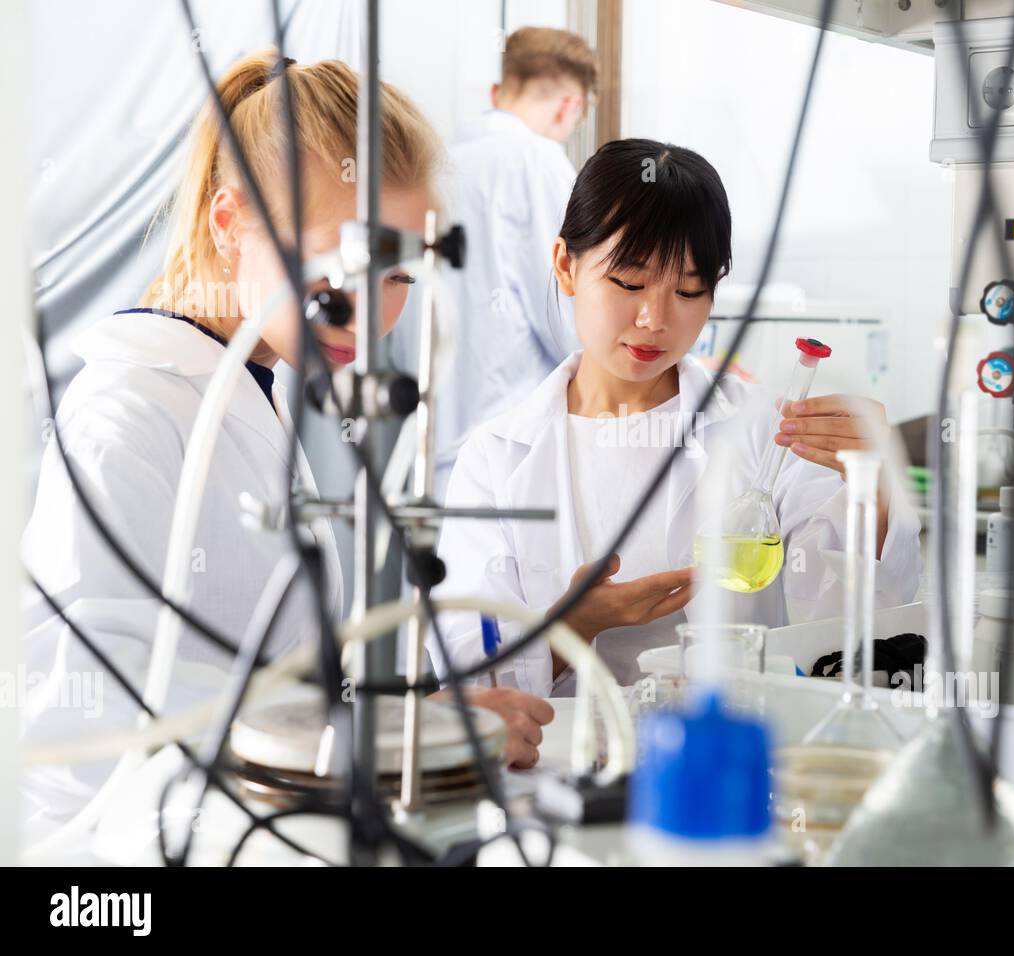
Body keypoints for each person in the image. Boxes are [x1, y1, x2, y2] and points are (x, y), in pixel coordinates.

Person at [21, 51, 553, 826]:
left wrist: (417, 724)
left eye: (402, 276)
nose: (372, 313)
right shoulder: (128, 413)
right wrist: (391, 736)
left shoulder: (250, 390)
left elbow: (267, 693)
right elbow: (83, 722)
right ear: (230, 222)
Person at [432, 139, 922, 697]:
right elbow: (469, 676)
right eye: (629, 282)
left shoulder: (767, 434)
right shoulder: (496, 457)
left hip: (730, 755)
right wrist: (576, 625)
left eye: (689, 290)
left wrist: (874, 484)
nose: (654, 319)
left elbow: (847, 628)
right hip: (564, 766)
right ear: (566, 266)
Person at [433, 27, 597, 493]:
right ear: (571, 106)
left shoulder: (434, 164)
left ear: (496, 92)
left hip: (432, 452)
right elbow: (572, 317)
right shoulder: (539, 161)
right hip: (511, 450)